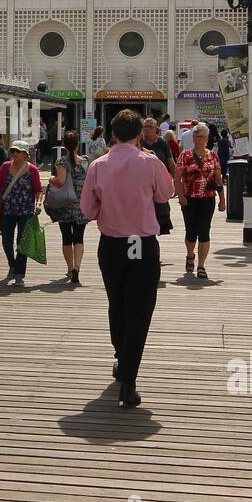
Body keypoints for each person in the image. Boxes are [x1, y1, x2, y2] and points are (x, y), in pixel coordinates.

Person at [80, 109, 173, 407]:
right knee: (140, 309)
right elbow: (165, 193)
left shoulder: (97, 165)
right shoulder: (149, 161)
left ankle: (121, 354)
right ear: (138, 134)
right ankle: (128, 380)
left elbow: (87, 210)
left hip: (112, 244)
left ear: (113, 133)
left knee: (117, 302)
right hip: (141, 244)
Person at [0, 140, 42, 287]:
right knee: (6, 242)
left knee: (22, 242)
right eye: (12, 151)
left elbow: (38, 190)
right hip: (7, 210)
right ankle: (12, 264)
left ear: (25, 155)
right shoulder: (5, 166)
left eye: (17, 152)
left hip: (25, 211)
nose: (14, 154)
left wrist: (38, 203)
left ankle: (19, 274)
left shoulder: (32, 170)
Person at [176, 123, 227, 279]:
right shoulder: (185, 155)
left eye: (200, 136)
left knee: (204, 231)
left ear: (206, 138)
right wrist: (180, 196)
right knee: (191, 232)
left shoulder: (212, 155)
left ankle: (201, 266)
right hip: (189, 198)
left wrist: (222, 199)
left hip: (207, 198)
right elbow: (177, 178)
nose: (197, 139)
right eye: (195, 136)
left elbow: (218, 178)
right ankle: (190, 254)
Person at [49, 130, 89, 285]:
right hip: (80, 206)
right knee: (79, 238)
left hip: (64, 205)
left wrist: (51, 179)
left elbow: (60, 181)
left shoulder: (62, 161)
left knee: (66, 238)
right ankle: (77, 267)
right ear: (78, 144)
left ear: (65, 146)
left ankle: (70, 267)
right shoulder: (85, 161)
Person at [141, 117, 176, 238]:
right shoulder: (138, 143)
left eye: (149, 126)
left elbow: (171, 163)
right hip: (143, 186)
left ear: (156, 129)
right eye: (144, 127)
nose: (146, 129)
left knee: (160, 213)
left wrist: (176, 182)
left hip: (159, 185)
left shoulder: (162, 143)